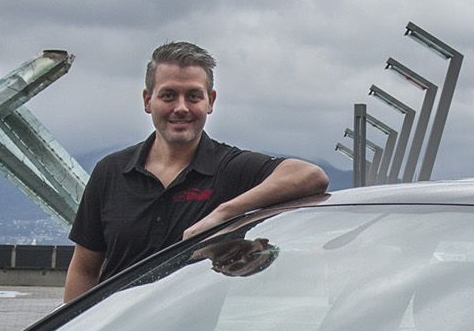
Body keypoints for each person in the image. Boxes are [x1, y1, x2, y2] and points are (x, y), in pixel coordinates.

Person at [63, 41, 329, 301]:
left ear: (210, 101)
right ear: (148, 100)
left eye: (193, 96)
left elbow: (309, 176)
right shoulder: (111, 171)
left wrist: (223, 215)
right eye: (168, 95)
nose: (181, 108)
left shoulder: (229, 168)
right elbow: (84, 269)